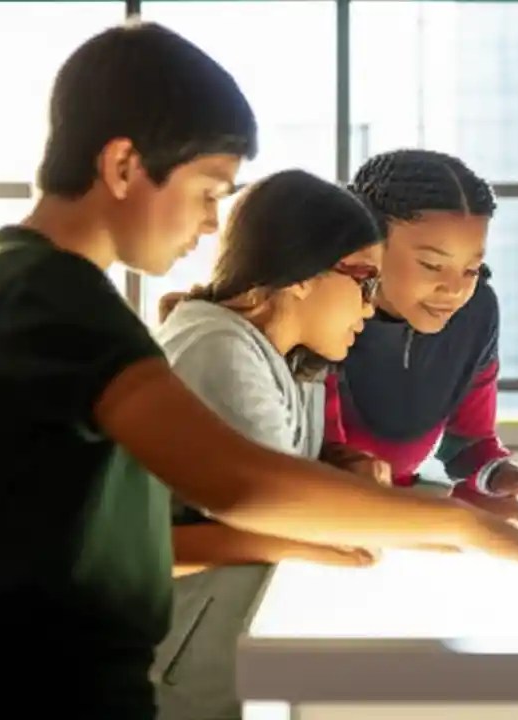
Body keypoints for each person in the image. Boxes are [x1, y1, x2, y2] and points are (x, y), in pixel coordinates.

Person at [0, 21, 518, 716]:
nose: (212, 224)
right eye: (208, 191)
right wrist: (460, 524)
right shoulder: (51, 300)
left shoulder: (26, 287)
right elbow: (235, 479)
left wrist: (303, 536)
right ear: (123, 167)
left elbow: (91, 542)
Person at [150, 169, 390, 720]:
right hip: (170, 669)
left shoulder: (288, 361)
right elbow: (281, 512)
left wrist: (344, 467)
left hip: (210, 662)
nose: (370, 307)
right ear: (303, 272)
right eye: (365, 281)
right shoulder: (216, 347)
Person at [327, 149, 518, 529]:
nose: (455, 290)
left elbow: (469, 445)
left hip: (402, 511)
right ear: (368, 243)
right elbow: (324, 466)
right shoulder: (323, 311)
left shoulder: (477, 312)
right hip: (323, 512)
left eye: (472, 268)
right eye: (431, 265)